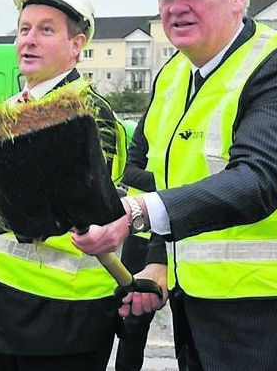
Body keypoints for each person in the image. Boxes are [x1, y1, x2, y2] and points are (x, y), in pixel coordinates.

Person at [72, 0, 277, 371]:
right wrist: (158, 264)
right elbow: (146, 174)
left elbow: (258, 180)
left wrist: (135, 215)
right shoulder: (174, 76)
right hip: (198, 308)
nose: (176, 6)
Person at [0, 0, 127, 370]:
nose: (29, 39)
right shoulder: (8, 109)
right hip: (13, 305)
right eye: (24, 29)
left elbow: (56, 200)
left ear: (76, 45)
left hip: (65, 312)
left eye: (46, 30)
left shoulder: (87, 114)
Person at [114, 117, 159, 371]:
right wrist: (173, 181)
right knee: (133, 322)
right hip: (142, 235)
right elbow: (128, 171)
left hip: (192, 234)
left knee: (193, 328)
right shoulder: (158, 111)